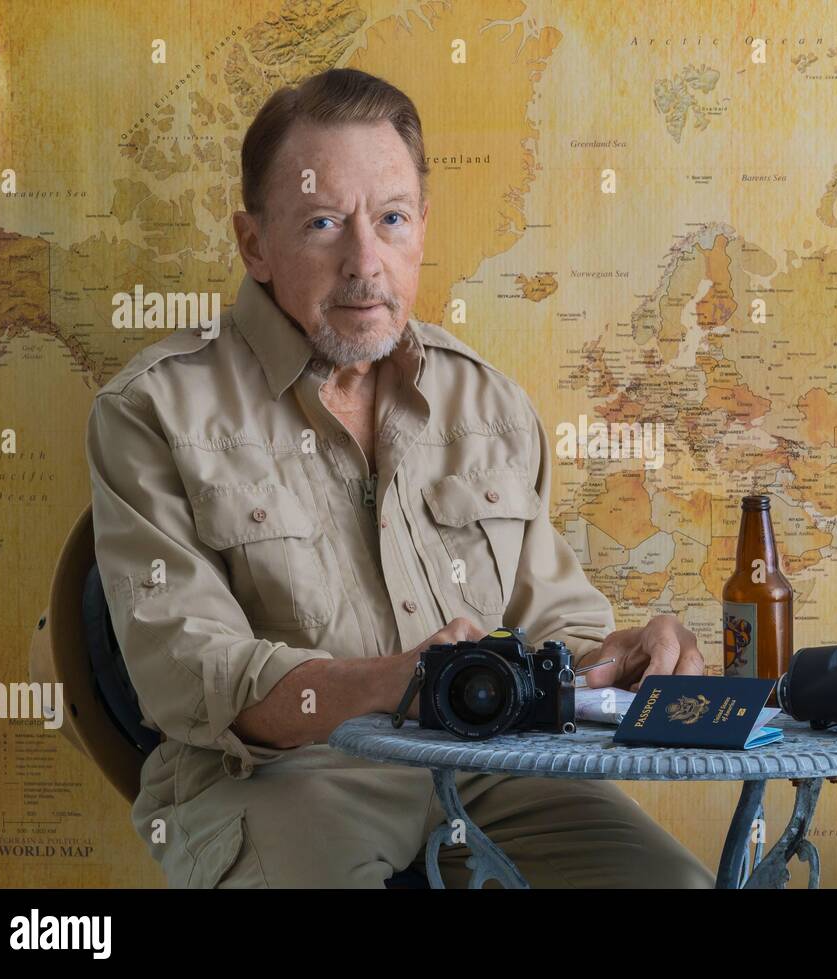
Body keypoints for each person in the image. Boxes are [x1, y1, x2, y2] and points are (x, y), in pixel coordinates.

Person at [86, 67, 713, 888]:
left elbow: (553, 621)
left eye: (390, 219)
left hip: (496, 771)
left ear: (422, 227)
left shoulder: (487, 401)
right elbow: (191, 674)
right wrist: (392, 683)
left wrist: (621, 656)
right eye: (321, 222)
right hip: (284, 778)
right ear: (254, 244)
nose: (364, 262)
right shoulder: (153, 409)